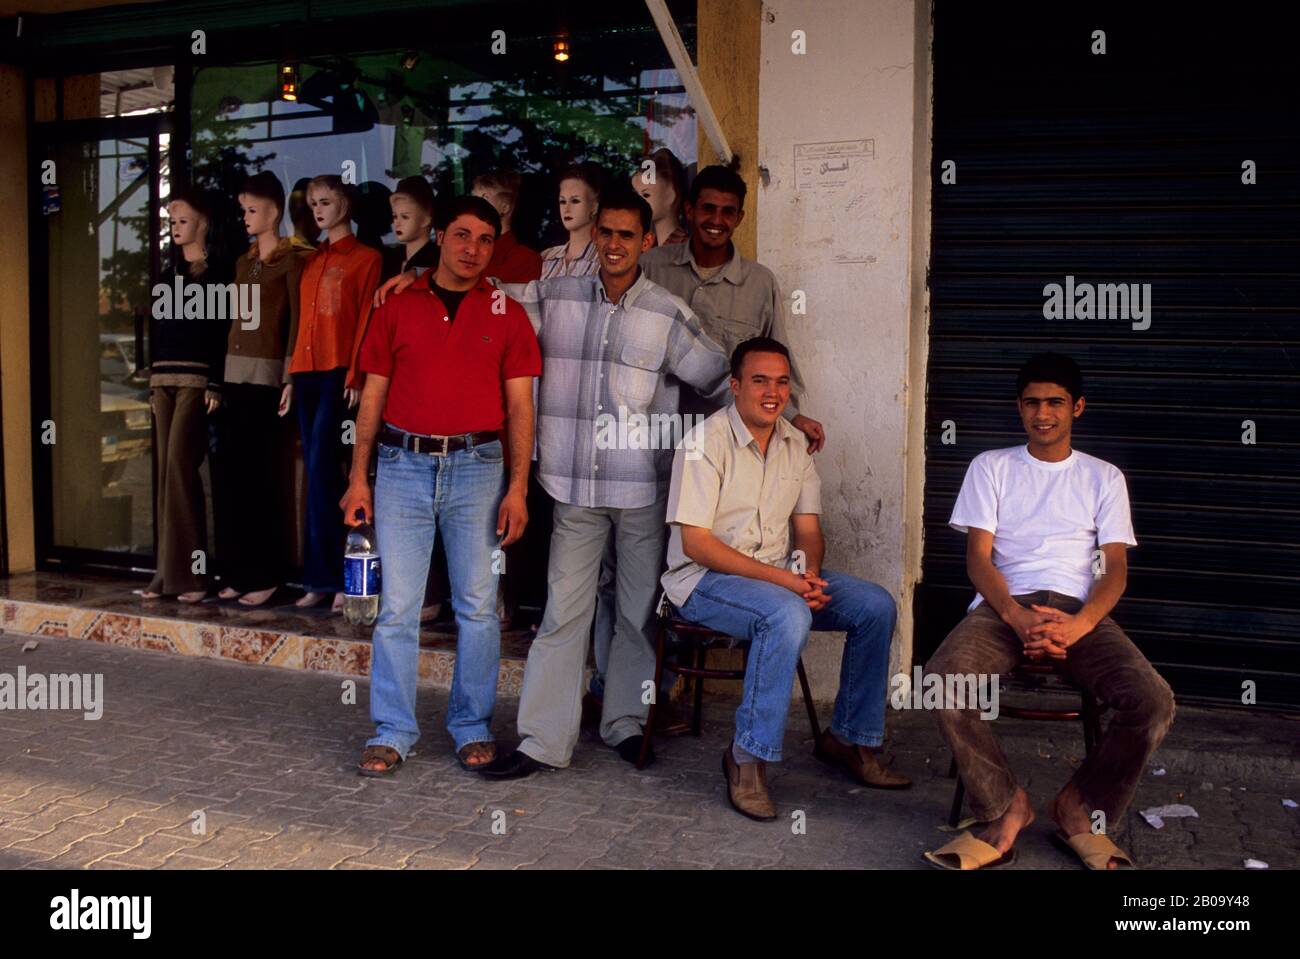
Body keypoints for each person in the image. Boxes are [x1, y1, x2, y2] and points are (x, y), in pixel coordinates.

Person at [478, 182, 732, 779]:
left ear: (646, 241)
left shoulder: (667, 315)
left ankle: (625, 723)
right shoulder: (557, 294)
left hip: (643, 488)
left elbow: (723, 379)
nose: (614, 244)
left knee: (636, 613)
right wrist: (414, 279)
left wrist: (787, 420)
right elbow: (496, 297)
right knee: (564, 614)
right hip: (571, 488)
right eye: (606, 232)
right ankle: (543, 741)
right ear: (594, 235)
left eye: (626, 235)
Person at [923, 353, 1174, 870]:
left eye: (1055, 402)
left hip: (1079, 613)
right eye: (1033, 402)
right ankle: (1003, 808)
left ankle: (1080, 808)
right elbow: (979, 559)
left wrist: (1077, 625)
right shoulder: (990, 466)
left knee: (1152, 701)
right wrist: (1016, 616)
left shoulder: (1103, 477)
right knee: (943, 679)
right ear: (1019, 408)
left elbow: (1115, 570)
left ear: (1077, 407)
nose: (1043, 413)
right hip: (1003, 607)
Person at [662, 336, 909, 821]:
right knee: (786, 613)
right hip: (703, 582)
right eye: (759, 381)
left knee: (874, 605)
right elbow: (697, 544)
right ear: (734, 386)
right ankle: (746, 758)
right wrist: (788, 585)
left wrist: (809, 573)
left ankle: (849, 740)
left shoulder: (796, 445)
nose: (772, 392)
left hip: (779, 576)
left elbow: (809, 530)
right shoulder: (703, 443)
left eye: (780, 382)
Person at [344, 196, 541, 776]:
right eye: (461, 235)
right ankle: (393, 728)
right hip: (402, 464)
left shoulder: (508, 310)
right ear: (440, 238)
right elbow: (372, 396)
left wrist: (518, 487)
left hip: (479, 466)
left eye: (484, 239)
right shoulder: (399, 305)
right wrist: (358, 478)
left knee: (478, 608)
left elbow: (521, 407)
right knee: (398, 609)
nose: (472, 249)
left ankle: (471, 724)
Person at [472, 167, 543, 282]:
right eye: (473, 199)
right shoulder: (467, 250)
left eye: (484, 198)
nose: (474, 206)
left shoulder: (526, 259)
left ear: (504, 207)